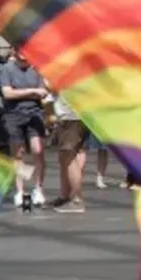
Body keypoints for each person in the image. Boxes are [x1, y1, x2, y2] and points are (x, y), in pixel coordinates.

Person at [0, 47, 51, 210]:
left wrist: (30, 91)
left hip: (35, 112)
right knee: (18, 153)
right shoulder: (7, 69)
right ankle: (20, 190)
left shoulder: (36, 68)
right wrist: (32, 91)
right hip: (13, 114)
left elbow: (44, 92)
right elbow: (7, 93)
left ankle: (38, 189)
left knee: (38, 150)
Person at [49, 85, 88, 213]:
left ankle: (76, 199)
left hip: (71, 118)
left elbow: (51, 87)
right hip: (71, 117)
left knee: (69, 157)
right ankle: (65, 195)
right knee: (65, 157)